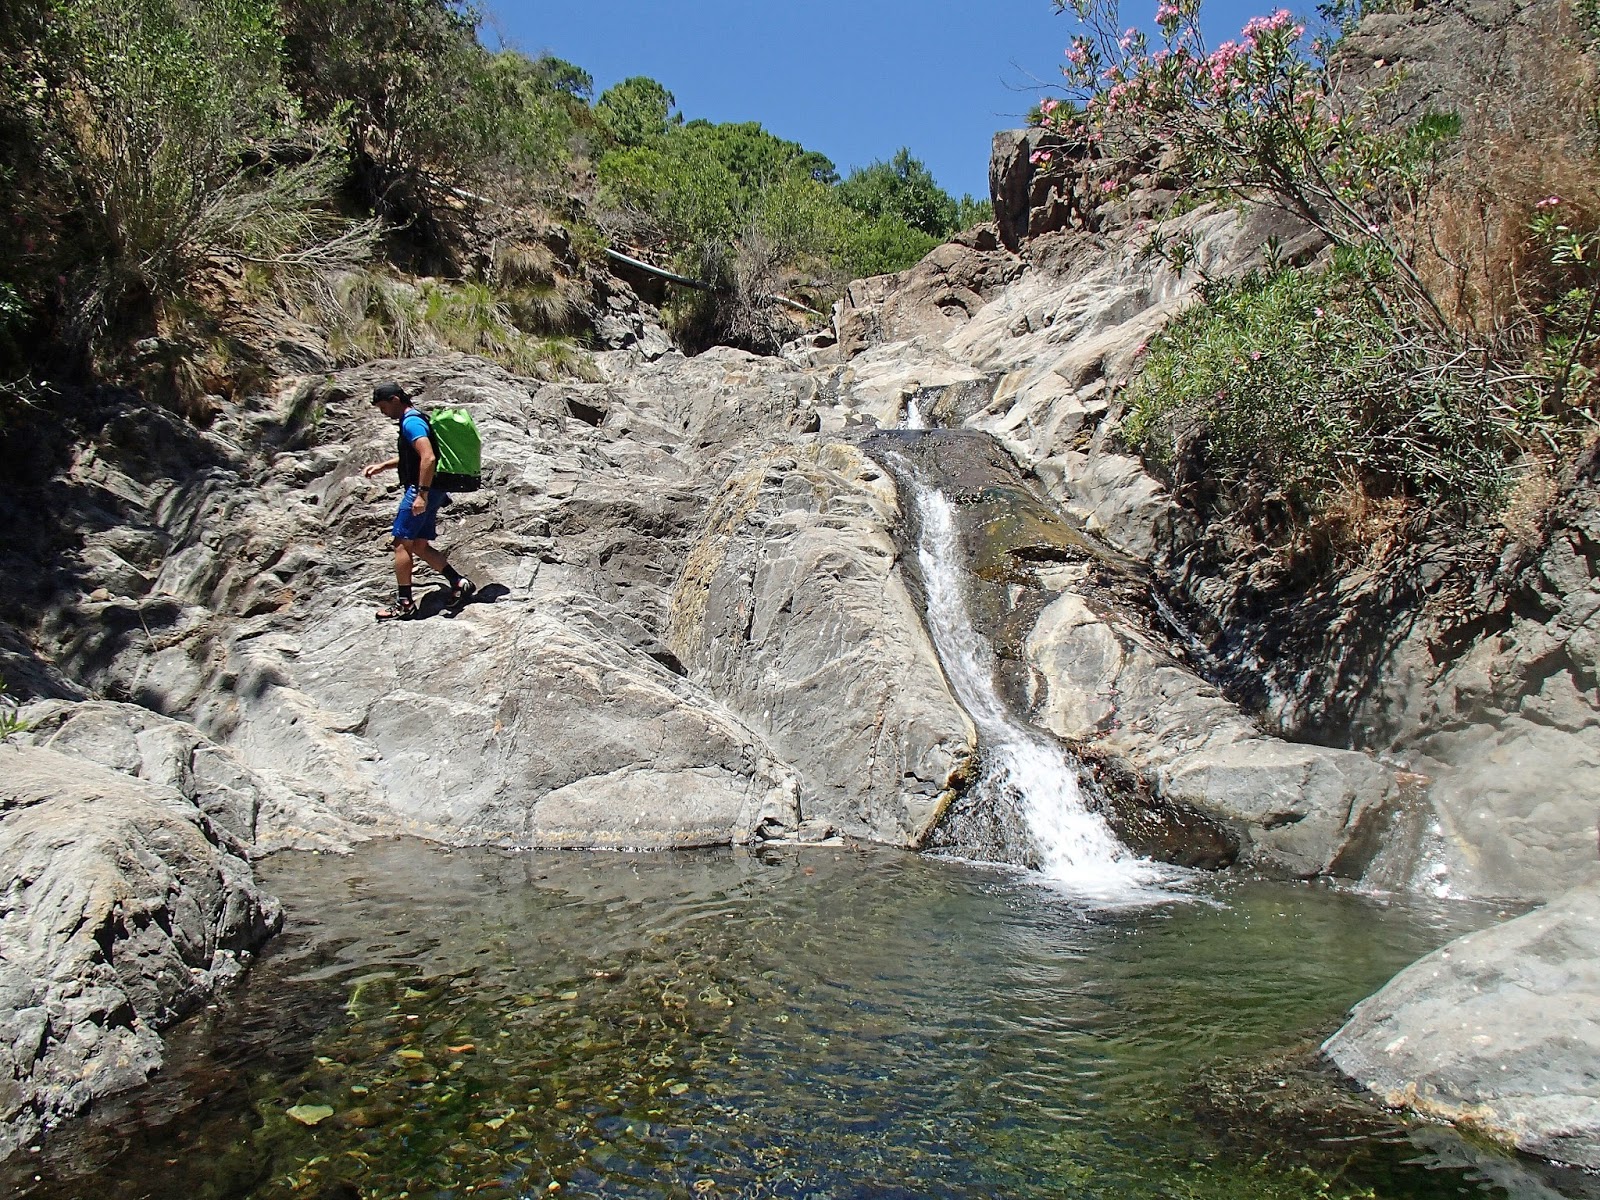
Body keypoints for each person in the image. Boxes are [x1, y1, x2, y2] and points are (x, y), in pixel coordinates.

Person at [362, 382, 475, 620]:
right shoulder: (416, 418)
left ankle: (405, 603)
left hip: (422, 490)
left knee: (401, 544)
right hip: (435, 490)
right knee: (420, 545)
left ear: (395, 400)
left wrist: (421, 494)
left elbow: (428, 457)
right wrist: (384, 465)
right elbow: (415, 456)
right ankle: (458, 582)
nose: (383, 412)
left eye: (383, 406)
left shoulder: (411, 422)